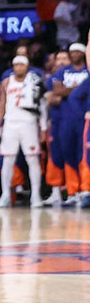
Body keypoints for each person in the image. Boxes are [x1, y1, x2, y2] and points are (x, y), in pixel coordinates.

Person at [0, 55, 45, 208]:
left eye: (22, 65)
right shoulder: (7, 82)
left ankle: (36, 195)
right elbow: (1, 105)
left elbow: (41, 105)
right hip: (10, 123)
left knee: (32, 159)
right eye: (16, 65)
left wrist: (43, 127)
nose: (19, 68)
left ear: (27, 66)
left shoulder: (34, 81)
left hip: (29, 123)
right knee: (8, 160)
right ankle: (5, 195)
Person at [46, 41, 88, 205]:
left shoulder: (87, 70)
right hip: (66, 118)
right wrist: (79, 89)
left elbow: (62, 91)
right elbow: (57, 90)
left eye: (78, 52)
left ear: (83, 53)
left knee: (83, 154)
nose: (75, 54)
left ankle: (85, 189)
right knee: (68, 153)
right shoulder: (63, 70)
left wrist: (68, 89)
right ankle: (72, 191)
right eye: (73, 52)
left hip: (84, 117)